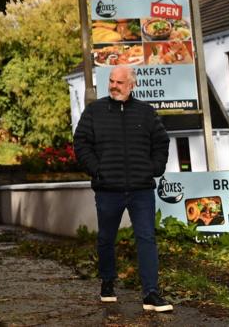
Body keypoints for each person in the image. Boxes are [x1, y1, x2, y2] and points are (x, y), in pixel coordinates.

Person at [73, 64, 172, 312]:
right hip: (108, 189)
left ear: (132, 85)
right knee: (106, 238)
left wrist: (154, 168)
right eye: (112, 81)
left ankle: (151, 293)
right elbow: (81, 143)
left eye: (119, 82)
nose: (114, 86)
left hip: (141, 189)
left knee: (147, 238)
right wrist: (98, 170)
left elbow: (161, 142)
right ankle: (108, 282)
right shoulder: (94, 111)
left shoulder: (146, 113)